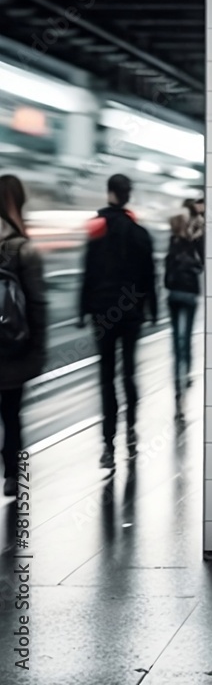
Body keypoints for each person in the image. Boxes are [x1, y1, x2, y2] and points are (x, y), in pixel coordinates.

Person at [79, 173, 157, 470]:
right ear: (127, 195)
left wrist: (82, 308)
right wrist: (151, 309)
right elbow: (149, 276)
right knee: (129, 375)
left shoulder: (97, 229)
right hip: (131, 314)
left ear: (109, 192)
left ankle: (108, 446)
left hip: (103, 313)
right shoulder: (140, 233)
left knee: (107, 378)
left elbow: (88, 271)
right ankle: (132, 431)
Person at [0, 175, 47, 498]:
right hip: (12, 347)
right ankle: (13, 476)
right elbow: (37, 303)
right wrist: (37, 349)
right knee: (11, 413)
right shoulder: (22, 248)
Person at [165, 200, 203, 419]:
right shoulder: (192, 242)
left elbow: (168, 271)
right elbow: (199, 265)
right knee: (184, 339)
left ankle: (179, 380)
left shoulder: (174, 243)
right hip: (187, 295)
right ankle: (184, 374)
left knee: (177, 341)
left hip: (175, 295)